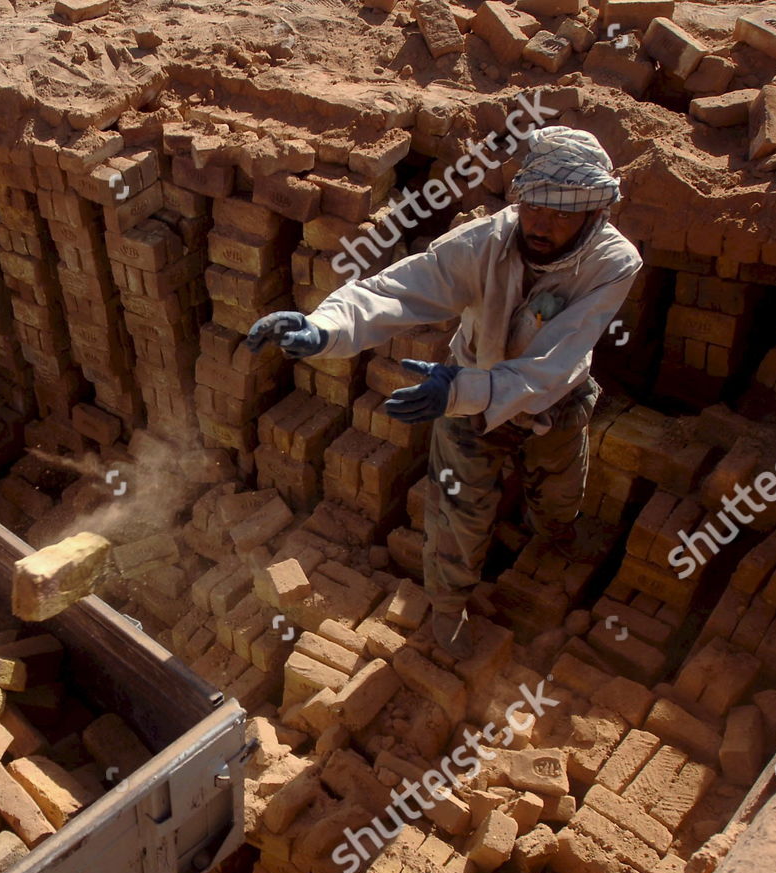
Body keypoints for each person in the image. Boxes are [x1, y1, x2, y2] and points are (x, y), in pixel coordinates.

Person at [246, 126, 641, 656]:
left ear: (593, 215)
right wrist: (326, 329)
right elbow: (396, 292)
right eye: (533, 209)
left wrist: (459, 390)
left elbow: (550, 366)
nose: (541, 225)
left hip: (555, 402)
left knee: (559, 495)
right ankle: (450, 607)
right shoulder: (484, 244)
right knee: (457, 513)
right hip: (463, 397)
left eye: (561, 216)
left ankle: (553, 538)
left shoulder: (613, 264)